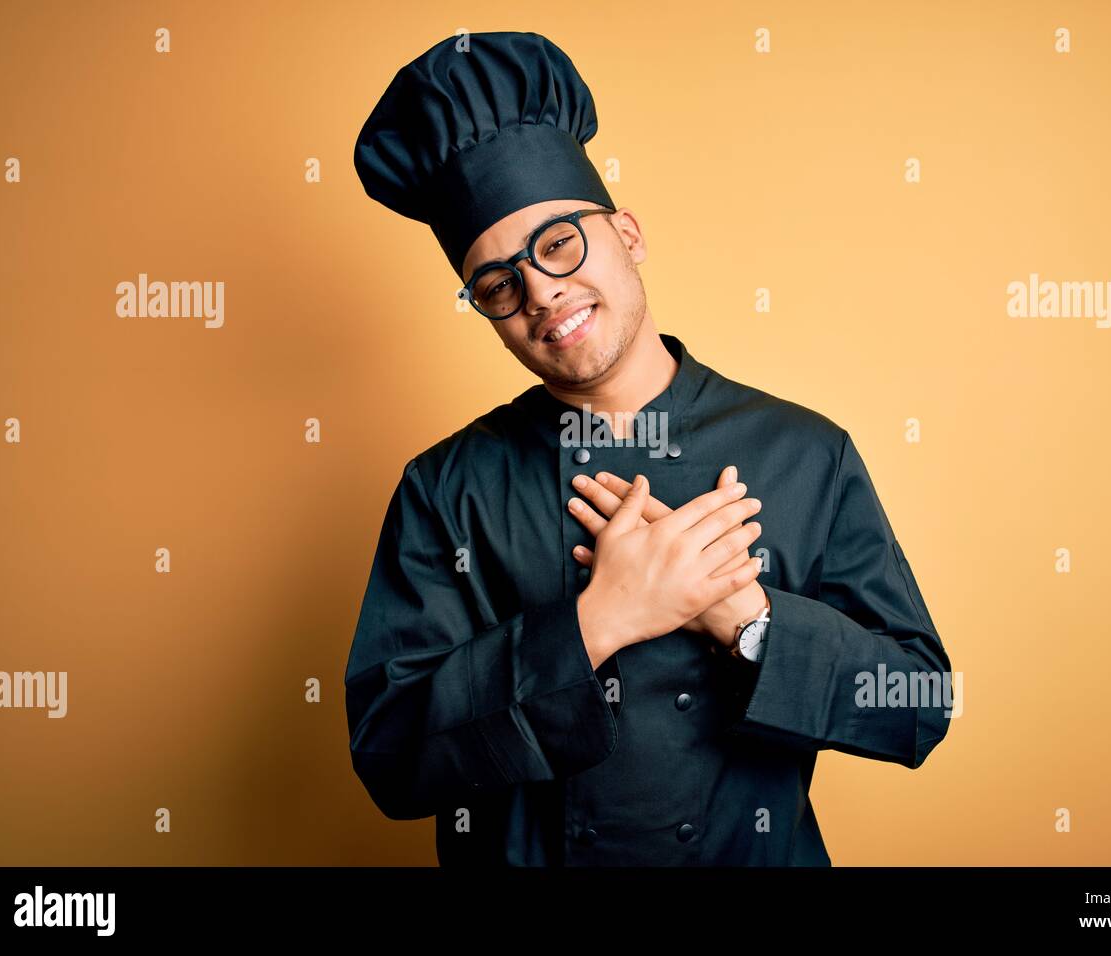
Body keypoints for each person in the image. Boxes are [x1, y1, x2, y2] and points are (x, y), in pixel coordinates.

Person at [346, 30, 953, 866]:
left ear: (627, 233)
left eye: (558, 242)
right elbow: (391, 760)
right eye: (497, 285)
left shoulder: (807, 451)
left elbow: (919, 707)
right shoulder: (447, 488)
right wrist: (600, 619)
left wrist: (748, 623)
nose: (542, 293)